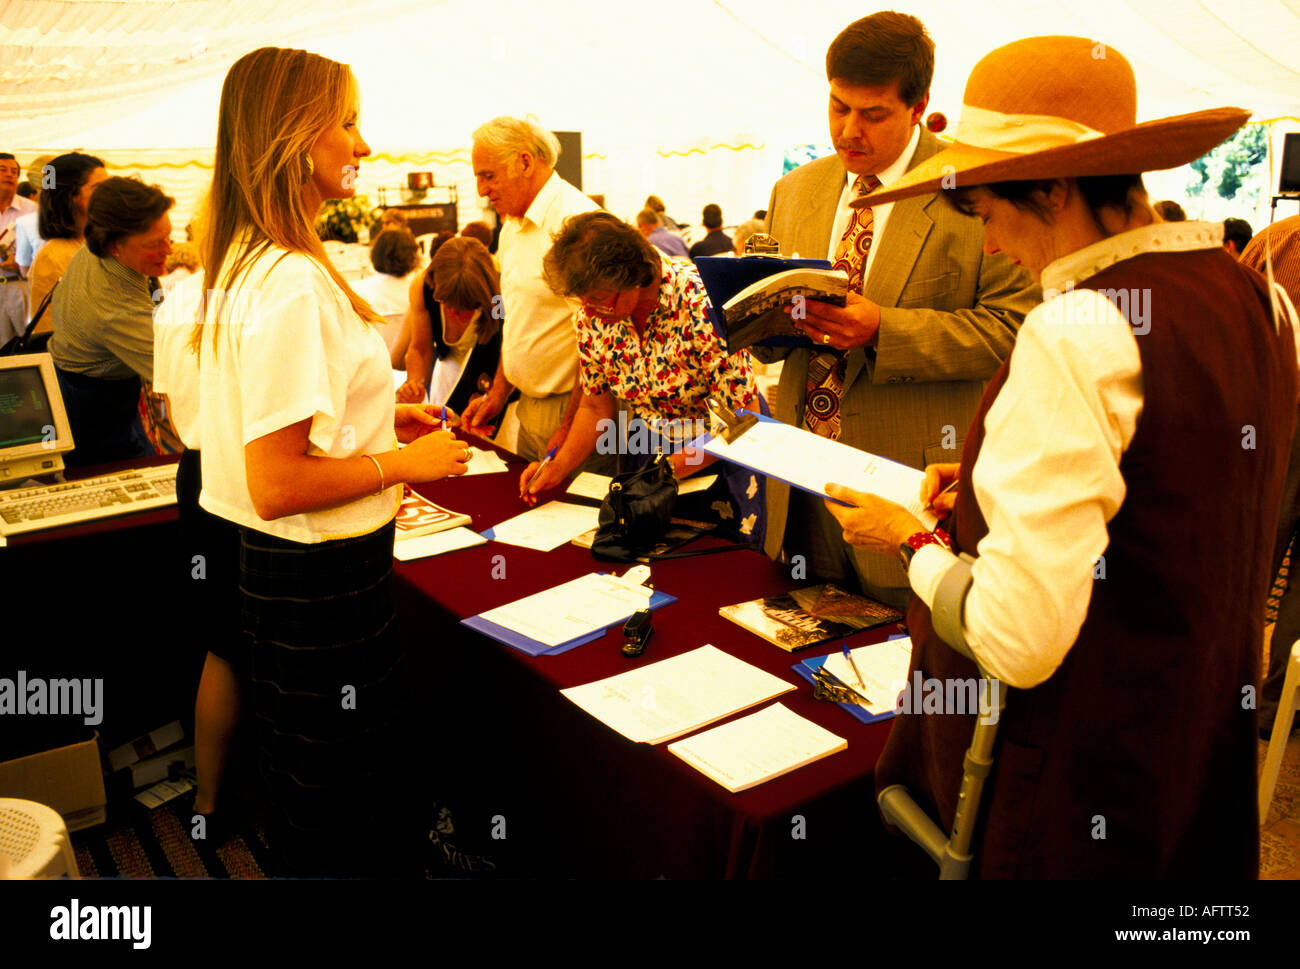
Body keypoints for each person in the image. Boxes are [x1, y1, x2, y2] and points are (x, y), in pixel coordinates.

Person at [821, 35, 1295, 877]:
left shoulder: (1077, 328)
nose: (991, 245)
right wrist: (984, 487)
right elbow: (1175, 485)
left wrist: (916, 543)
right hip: (1191, 735)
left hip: (1077, 774)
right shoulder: (1257, 296)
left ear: (1051, 186)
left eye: (986, 211)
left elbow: (1016, 636)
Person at [190, 46, 471, 876]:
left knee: (315, 775)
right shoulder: (289, 281)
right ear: (291, 136)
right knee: (340, 787)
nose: (365, 144)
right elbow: (277, 483)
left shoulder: (253, 258)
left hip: (292, 577)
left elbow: (284, 427)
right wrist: (405, 463)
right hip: (318, 580)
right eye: (347, 123)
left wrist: (379, 414)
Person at [757, 11, 1037, 608]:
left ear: (919, 105)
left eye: (873, 114)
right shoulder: (796, 189)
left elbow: (1015, 331)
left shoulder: (975, 185)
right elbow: (771, 334)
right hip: (800, 489)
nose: (848, 131)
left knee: (900, 677)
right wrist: (754, 320)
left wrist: (884, 328)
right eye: (837, 107)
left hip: (909, 488)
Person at [520, 212, 764, 542]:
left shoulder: (700, 302)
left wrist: (667, 471)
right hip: (648, 452)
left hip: (715, 457)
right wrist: (556, 467)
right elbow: (594, 409)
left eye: (598, 299)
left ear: (632, 276)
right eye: (583, 300)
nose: (588, 311)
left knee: (714, 569)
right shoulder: (592, 319)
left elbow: (743, 418)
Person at [461, 115, 601, 464]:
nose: (480, 189)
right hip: (529, 405)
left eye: (488, 175)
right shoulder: (512, 225)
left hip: (576, 411)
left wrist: (570, 426)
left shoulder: (576, 223)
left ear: (524, 162)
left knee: (573, 516)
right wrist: (498, 391)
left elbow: (599, 339)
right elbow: (514, 317)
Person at [47, 176, 175, 466]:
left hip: (89, 380)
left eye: (170, 237)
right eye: (155, 243)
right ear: (115, 246)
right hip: (91, 405)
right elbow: (181, 373)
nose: (168, 250)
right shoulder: (114, 310)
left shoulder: (100, 242)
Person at [396, 235, 503, 414]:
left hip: (493, 376)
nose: (453, 313)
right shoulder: (422, 286)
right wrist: (416, 385)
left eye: (464, 309)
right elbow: (420, 349)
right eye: (447, 303)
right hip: (447, 374)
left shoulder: (497, 297)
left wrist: (495, 396)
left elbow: (505, 348)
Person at [27, 152, 108, 333]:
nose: (108, 196)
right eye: (98, 189)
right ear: (71, 196)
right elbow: (47, 331)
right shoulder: (53, 257)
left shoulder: (97, 245)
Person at [353, 226, 420, 350]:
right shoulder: (421, 293)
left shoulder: (357, 291)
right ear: (413, 256)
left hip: (373, 362)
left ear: (376, 253)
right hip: (412, 363)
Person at [0, 152, 37, 345]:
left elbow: (44, 250)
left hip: (21, 286)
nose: (9, 175)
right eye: (2, 170)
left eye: (14, 172)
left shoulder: (31, 210)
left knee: (29, 344)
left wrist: (22, 262)